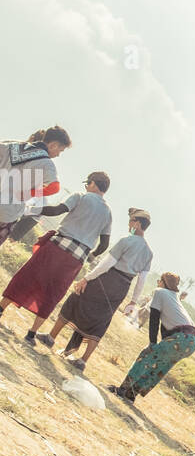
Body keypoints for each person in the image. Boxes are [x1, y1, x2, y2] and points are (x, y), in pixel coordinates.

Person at [0, 172, 112, 342]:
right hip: (76, 259)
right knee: (53, 292)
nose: (86, 186)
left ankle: (1, 308)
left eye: (87, 183)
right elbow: (103, 244)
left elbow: (57, 210)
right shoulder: (108, 212)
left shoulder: (81, 197)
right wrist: (91, 256)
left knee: (28, 276)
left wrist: (32, 209)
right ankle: (32, 333)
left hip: (58, 246)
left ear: (94, 183)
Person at [35, 209, 153, 370]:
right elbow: (142, 279)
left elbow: (106, 264)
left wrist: (87, 278)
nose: (129, 225)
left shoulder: (127, 240)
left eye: (131, 222)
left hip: (106, 279)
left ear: (138, 223)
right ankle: (82, 361)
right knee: (101, 320)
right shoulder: (149, 252)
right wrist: (133, 301)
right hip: (122, 287)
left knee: (74, 301)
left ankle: (50, 337)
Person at [108, 271, 195, 404]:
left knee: (146, 356)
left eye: (159, 280)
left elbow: (154, 319)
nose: (158, 283)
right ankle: (131, 394)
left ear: (164, 282)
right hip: (192, 342)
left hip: (181, 336)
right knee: (160, 365)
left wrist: (152, 342)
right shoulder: (174, 297)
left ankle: (122, 390)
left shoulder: (160, 292)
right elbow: (167, 325)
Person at [0, 127, 71, 244]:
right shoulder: (46, 163)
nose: (58, 155)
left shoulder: (12, 146)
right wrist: (29, 193)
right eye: (60, 150)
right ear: (53, 145)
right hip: (7, 213)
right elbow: (54, 187)